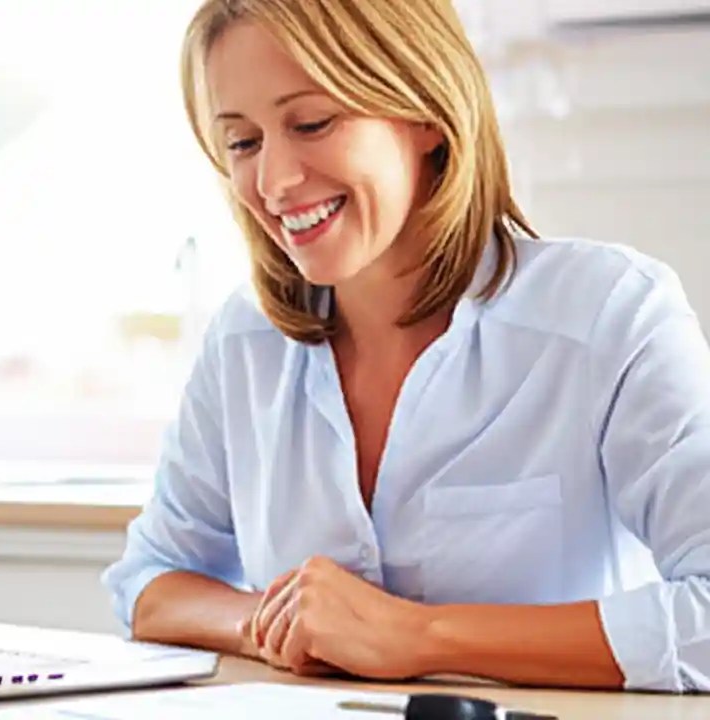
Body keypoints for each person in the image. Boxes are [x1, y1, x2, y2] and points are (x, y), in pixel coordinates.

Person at [102, 0, 710, 693]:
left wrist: (413, 635)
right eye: (243, 143)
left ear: (424, 112)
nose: (272, 183)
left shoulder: (609, 315)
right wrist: (279, 626)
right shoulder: (245, 342)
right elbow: (150, 582)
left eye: (311, 123)